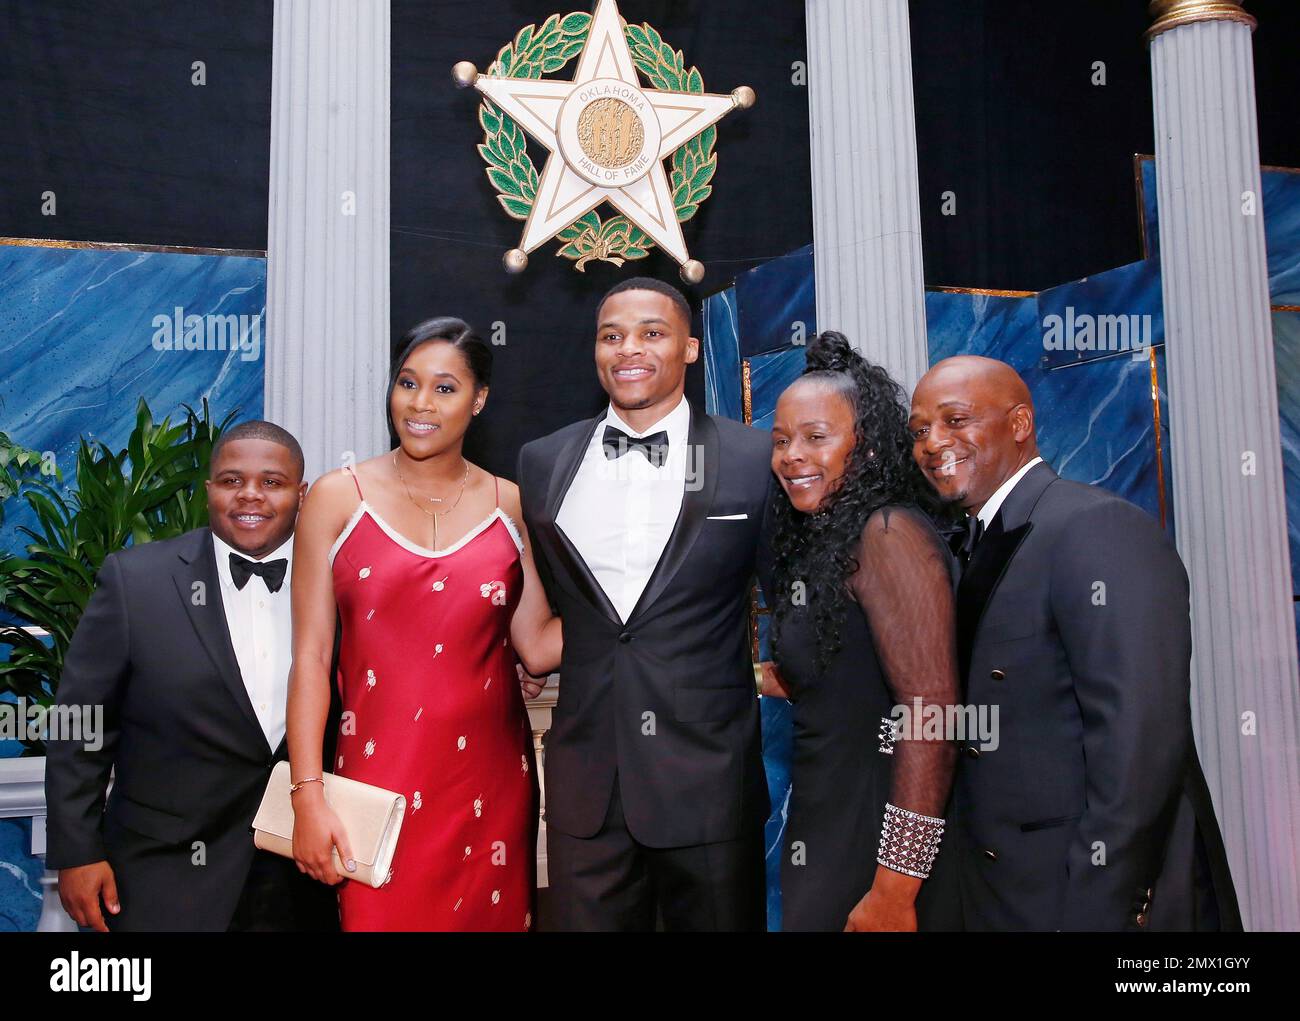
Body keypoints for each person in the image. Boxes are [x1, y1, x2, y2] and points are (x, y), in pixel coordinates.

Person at [908, 354, 1241, 931]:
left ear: (1018, 425)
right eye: (918, 431)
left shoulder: (1096, 528)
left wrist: (1098, 903)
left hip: (1079, 896)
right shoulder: (971, 543)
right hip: (997, 892)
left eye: (955, 420)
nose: (933, 442)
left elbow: (1139, 741)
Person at [287, 317, 559, 932]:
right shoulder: (336, 498)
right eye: (407, 383)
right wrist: (308, 793)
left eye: (445, 388)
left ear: (479, 399)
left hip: (489, 793)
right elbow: (310, 657)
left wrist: (648, 606)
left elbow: (538, 646)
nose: (420, 404)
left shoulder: (510, 504)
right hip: (373, 797)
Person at [517, 277, 772, 931]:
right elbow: (552, 603)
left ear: (690, 347)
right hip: (586, 792)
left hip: (710, 785)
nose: (628, 348)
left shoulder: (750, 458)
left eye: (651, 332)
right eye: (611, 335)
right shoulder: (543, 463)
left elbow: (792, 597)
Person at [45, 421, 340, 932]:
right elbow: (80, 723)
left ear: (302, 493)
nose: (250, 495)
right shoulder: (135, 580)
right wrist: (76, 852)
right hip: (161, 874)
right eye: (231, 480)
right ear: (208, 491)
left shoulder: (342, 585)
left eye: (272, 481)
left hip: (302, 877)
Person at [762, 331, 959, 932]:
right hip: (827, 819)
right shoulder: (828, 539)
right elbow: (835, 678)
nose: (792, 454)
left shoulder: (888, 535)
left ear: (868, 447)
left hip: (874, 837)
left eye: (816, 438)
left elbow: (932, 713)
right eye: (782, 440)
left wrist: (895, 888)